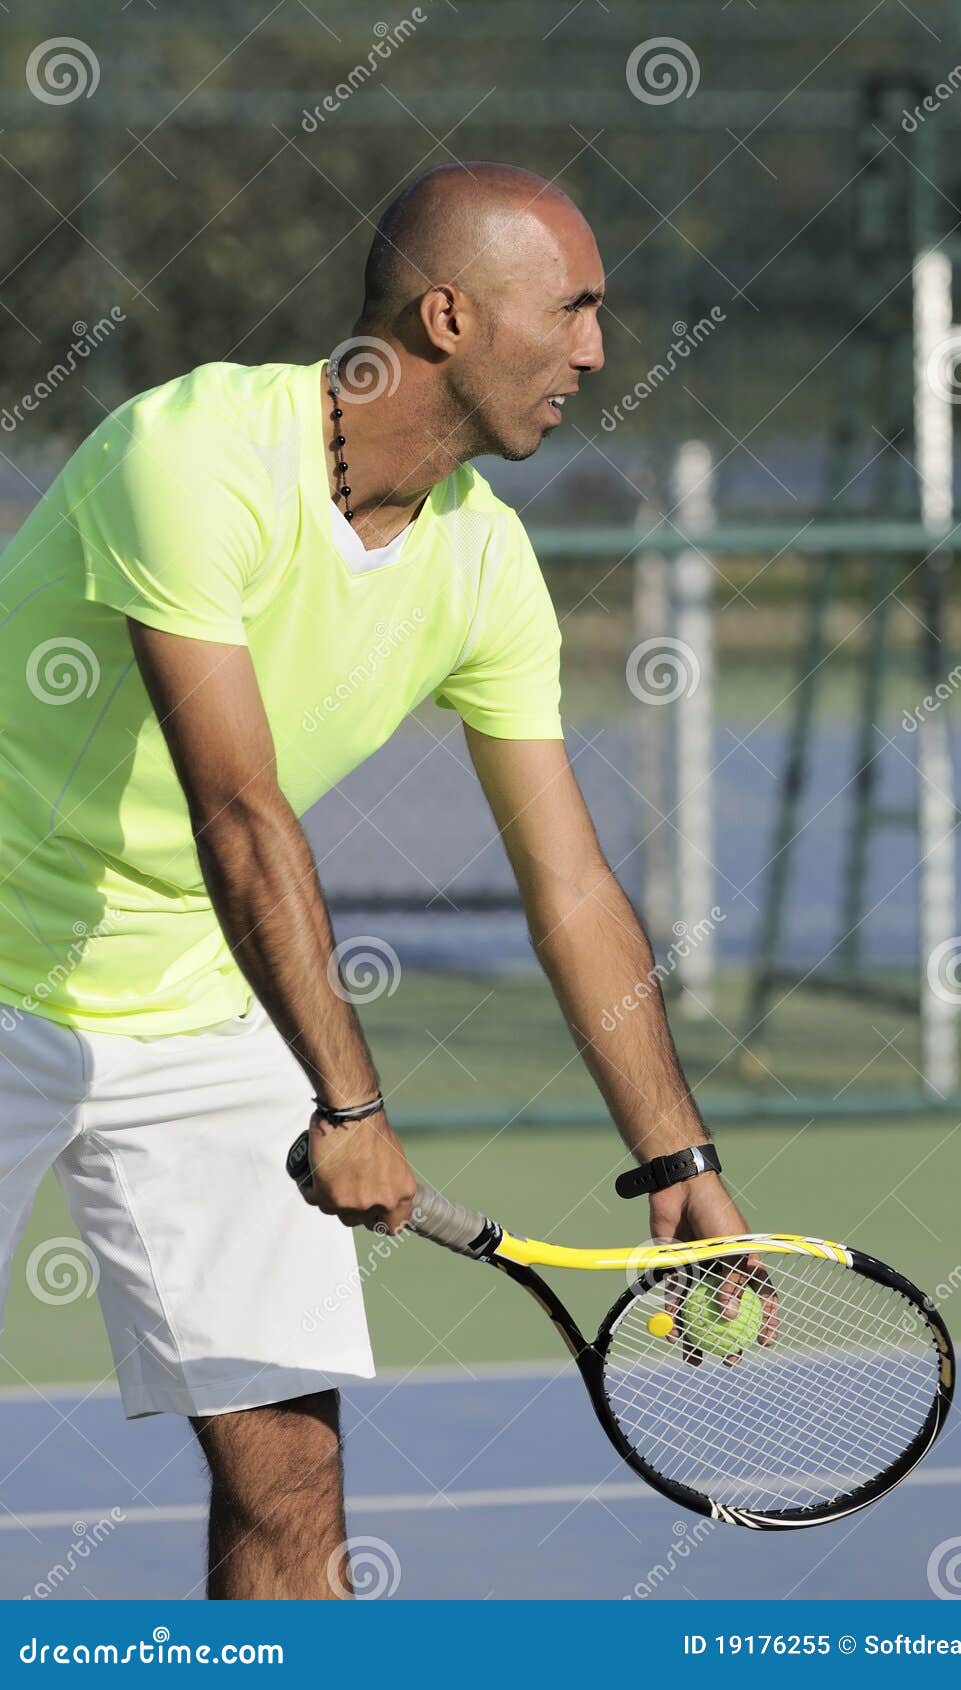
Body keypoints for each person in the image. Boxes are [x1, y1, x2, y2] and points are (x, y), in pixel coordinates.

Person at [0, 161, 753, 1598]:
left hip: (198, 1005)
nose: (597, 352)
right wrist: (351, 1103)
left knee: (291, 1480)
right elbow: (240, 808)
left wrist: (680, 1161)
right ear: (451, 315)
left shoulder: (483, 560)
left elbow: (576, 884)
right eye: (575, 309)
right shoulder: (196, 454)